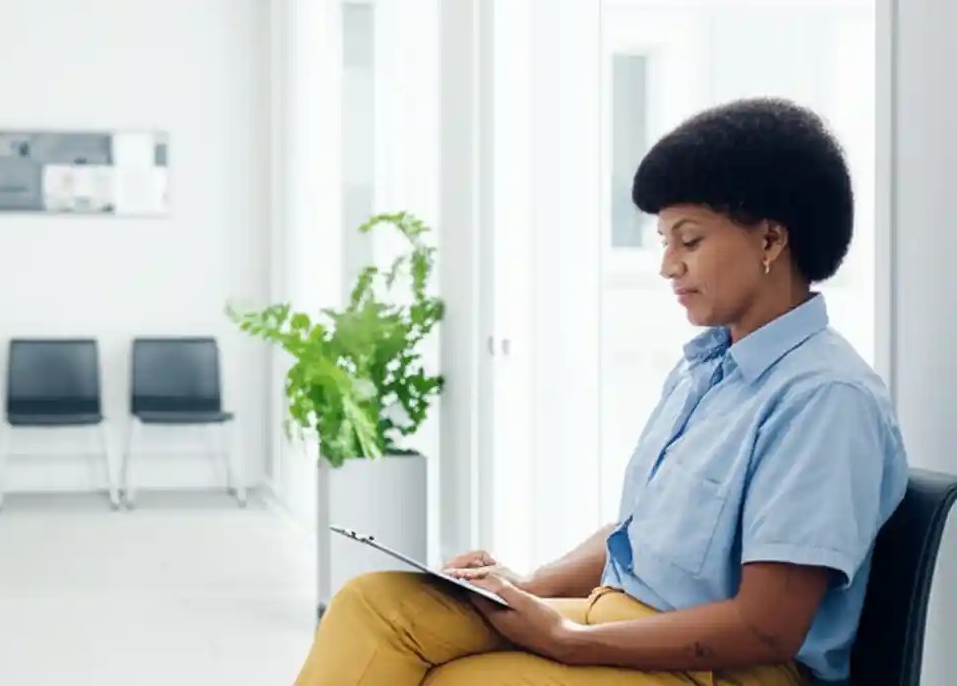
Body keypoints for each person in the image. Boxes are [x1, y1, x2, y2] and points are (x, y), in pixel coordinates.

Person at [295, 98, 908, 686]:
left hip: (731, 669)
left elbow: (765, 629)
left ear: (771, 241)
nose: (669, 265)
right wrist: (528, 587)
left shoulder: (826, 398)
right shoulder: (706, 370)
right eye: (664, 241)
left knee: (455, 679)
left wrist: (565, 639)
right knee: (373, 604)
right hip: (620, 618)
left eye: (689, 240)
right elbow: (641, 534)